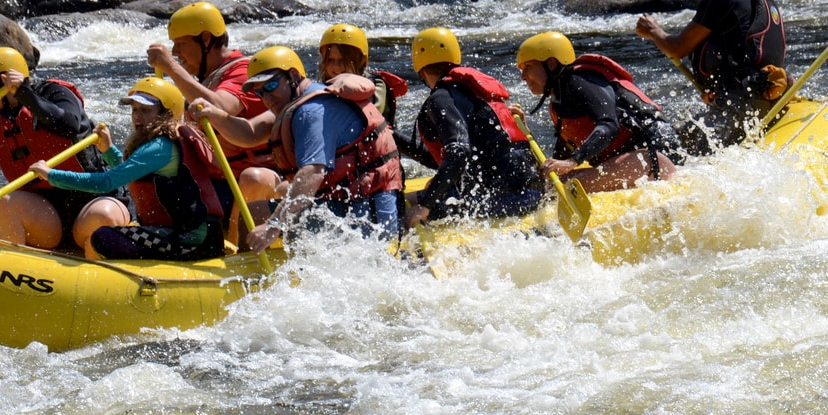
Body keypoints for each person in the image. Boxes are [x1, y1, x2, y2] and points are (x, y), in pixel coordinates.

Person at [191, 46, 404, 253]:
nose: (266, 98)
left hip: (365, 219)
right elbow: (250, 133)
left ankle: (253, 278)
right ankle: (254, 266)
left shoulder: (311, 112)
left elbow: (312, 173)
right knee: (257, 210)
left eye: (271, 85)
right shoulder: (300, 100)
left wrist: (273, 225)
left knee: (260, 214)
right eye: (260, 92)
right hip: (347, 204)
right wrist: (215, 115)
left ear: (293, 75)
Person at [30, 78, 227, 261]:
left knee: (104, 237)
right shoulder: (162, 142)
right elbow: (132, 174)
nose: (138, 117)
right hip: (185, 233)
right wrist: (108, 150)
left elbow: (106, 182)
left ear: (166, 114)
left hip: (192, 240)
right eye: (134, 110)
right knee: (115, 235)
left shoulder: (161, 146)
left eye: (145, 110)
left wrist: (51, 175)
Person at [635, 0, 790, 152]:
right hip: (765, 105)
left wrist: (653, 30)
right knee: (674, 136)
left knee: (666, 153)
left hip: (735, 111)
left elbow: (678, 48)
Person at [0, 46, 127, 251]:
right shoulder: (0, 123)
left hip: (91, 201)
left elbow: (69, 124)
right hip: (48, 218)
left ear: (5, 79)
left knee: (102, 215)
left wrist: (24, 93)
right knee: (8, 203)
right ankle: (5, 273)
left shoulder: (55, 92)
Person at [403, 27, 543, 228]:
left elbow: (458, 152)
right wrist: (392, 136)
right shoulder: (475, 91)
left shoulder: (441, 98)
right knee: (422, 193)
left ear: (421, 70)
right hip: (534, 193)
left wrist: (426, 206)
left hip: (504, 202)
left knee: (403, 206)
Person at [515, 31, 684, 193]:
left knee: (567, 184)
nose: (523, 76)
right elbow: (556, 165)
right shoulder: (559, 103)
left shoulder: (581, 82)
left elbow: (609, 125)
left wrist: (573, 162)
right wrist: (525, 133)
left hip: (654, 158)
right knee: (550, 183)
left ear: (551, 64)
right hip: (633, 161)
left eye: (528, 67)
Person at [145, 1, 276, 206]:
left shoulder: (244, 71)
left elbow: (219, 108)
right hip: (212, 180)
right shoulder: (204, 78)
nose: (176, 52)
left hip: (239, 184)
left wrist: (170, 67)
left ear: (206, 39)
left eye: (181, 44)